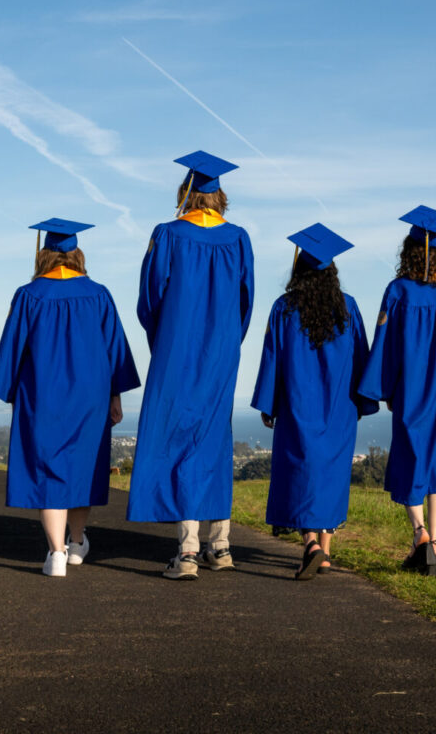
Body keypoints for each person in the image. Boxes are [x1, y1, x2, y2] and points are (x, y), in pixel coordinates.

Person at [0, 219, 141, 577]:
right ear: (77, 254)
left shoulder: (29, 294)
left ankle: (56, 552)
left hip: (42, 396)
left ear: (44, 254)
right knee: (81, 469)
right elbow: (114, 349)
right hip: (91, 399)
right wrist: (115, 395)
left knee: (48, 469)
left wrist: (12, 393)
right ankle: (77, 541)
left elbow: (12, 348)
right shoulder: (98, 293)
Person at [128, 150, 255, 580]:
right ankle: (220, 546)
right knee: (214, 438)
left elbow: (149, 300)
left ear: (186, 192)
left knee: (179, 437)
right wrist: (225, 343)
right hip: (220, 353)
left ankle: (186, 552)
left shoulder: (167, 234)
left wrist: (165, 337)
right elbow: (245, 303)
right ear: (220, 196)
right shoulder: (238, 238)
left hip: (176, 352)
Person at [251, 223, 373, 580]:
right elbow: (362, 359)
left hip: (297, 406)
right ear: (332, 270)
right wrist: (361, 403)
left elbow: (272, 358)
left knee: (300, 470)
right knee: (331, 473)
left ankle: (310, 544)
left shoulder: (284, 309)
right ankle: (327, 549)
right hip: (338, 409)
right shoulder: (348, 308)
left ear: (298, 270)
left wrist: (269, 403)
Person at [357, 206, 436, 577]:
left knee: (409, 460)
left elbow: (385, 344)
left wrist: (382, 387)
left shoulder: (398, 291)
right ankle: (435, 542)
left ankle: (419, 536)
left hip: (411, 392)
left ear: (409, 249)